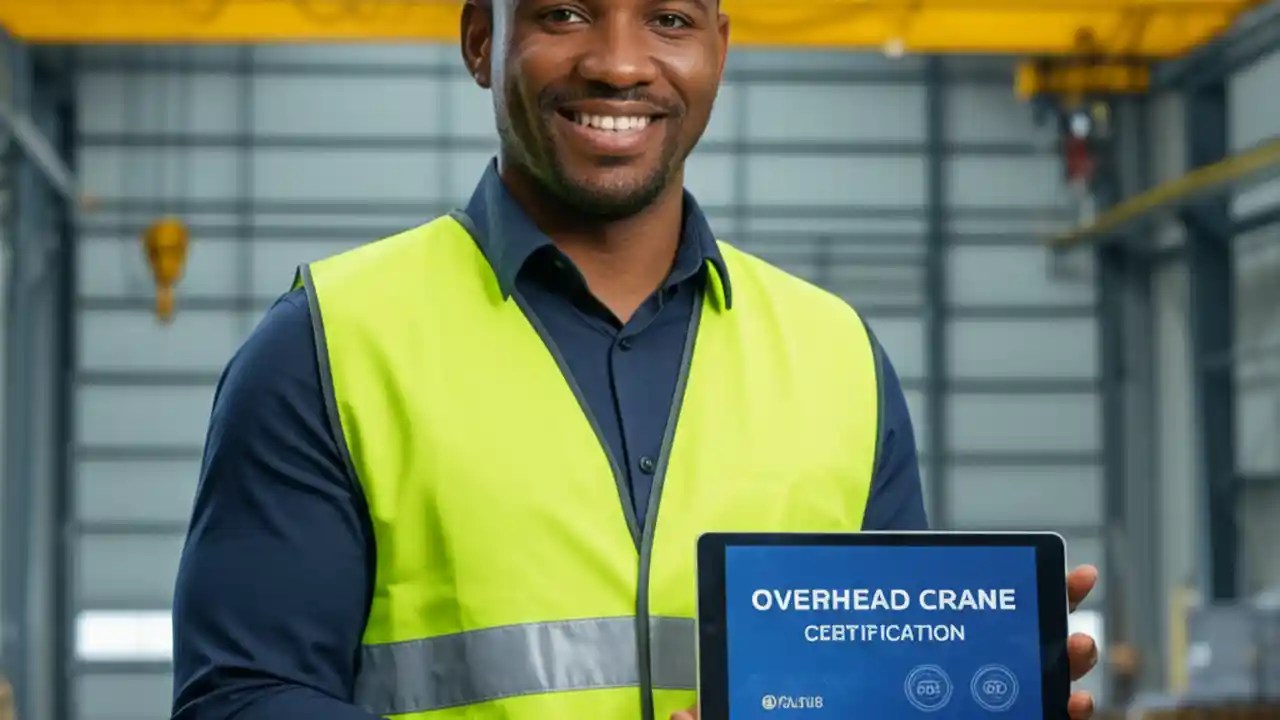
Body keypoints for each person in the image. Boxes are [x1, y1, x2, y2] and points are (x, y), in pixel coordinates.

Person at [170, 0, 1101, 718]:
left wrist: (972, 690)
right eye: (564, 13)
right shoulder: (327, 344)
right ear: (480, 40)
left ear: (718, 51)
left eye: (668, 19)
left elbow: (871, 686)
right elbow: (246, 698)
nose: (618, 64)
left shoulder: (838, 356)